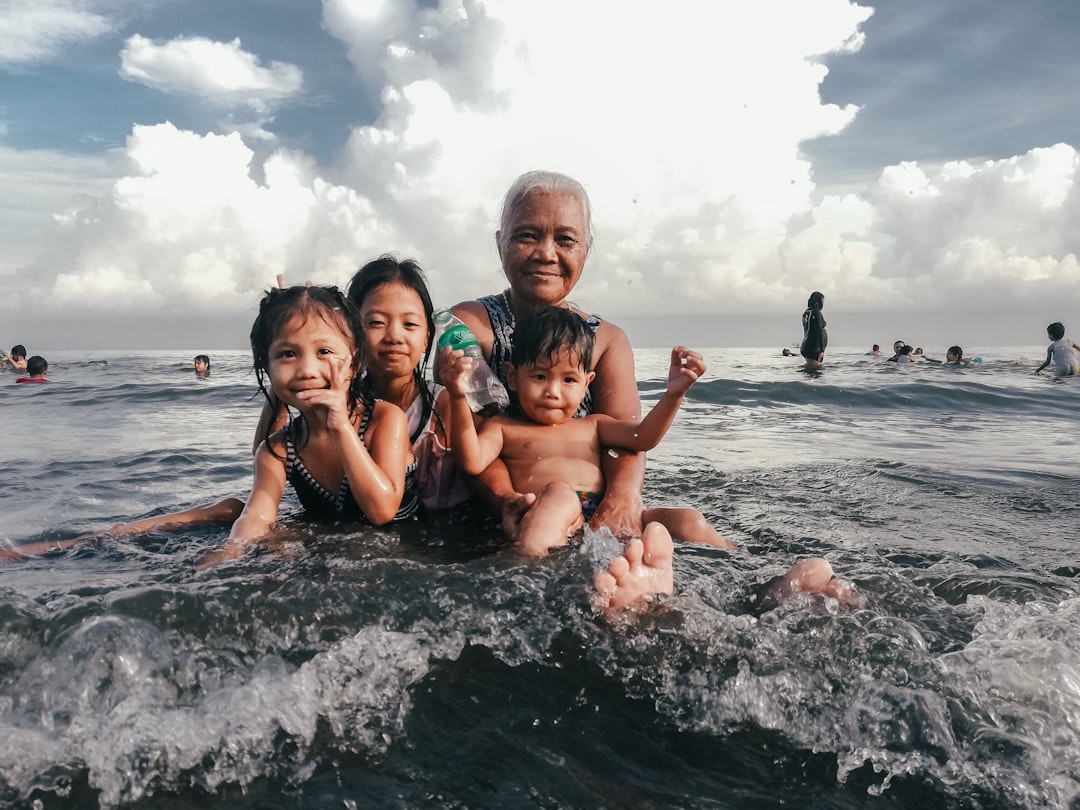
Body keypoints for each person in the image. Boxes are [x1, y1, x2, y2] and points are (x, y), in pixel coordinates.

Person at [442, 307, 845, 609]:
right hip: (556, 518)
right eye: (539, 377)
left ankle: (761, 581)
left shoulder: (595, 425)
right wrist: (459, 397)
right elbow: (472, 460)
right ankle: (526, 575)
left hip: (606, 521)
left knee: (688, 519)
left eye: (568, 380)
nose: (553, 391)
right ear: (512, 377)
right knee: (561, 494)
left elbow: (643, 438)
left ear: (588, 383)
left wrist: (674, 394)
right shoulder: (505, 428)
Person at [198, 284, 417, 567]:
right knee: (273, 546)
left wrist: (340, 425)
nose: (306, 370)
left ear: (354, 363)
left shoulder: (385, 419)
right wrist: (233, 550)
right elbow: (259, 516)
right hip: (337, 554)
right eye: (288, 354)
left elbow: (382, 511)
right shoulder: (276, 450)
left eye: (324, 351)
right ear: (268, 367)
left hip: (408, 554)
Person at [799, 291, 827, 369]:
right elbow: (818, 330)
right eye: (822, 302)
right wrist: (821, 350)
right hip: (814, 348)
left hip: (806, 346)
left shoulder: (806, 313)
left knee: (809, 373)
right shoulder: (816, 313)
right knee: (815, 374)